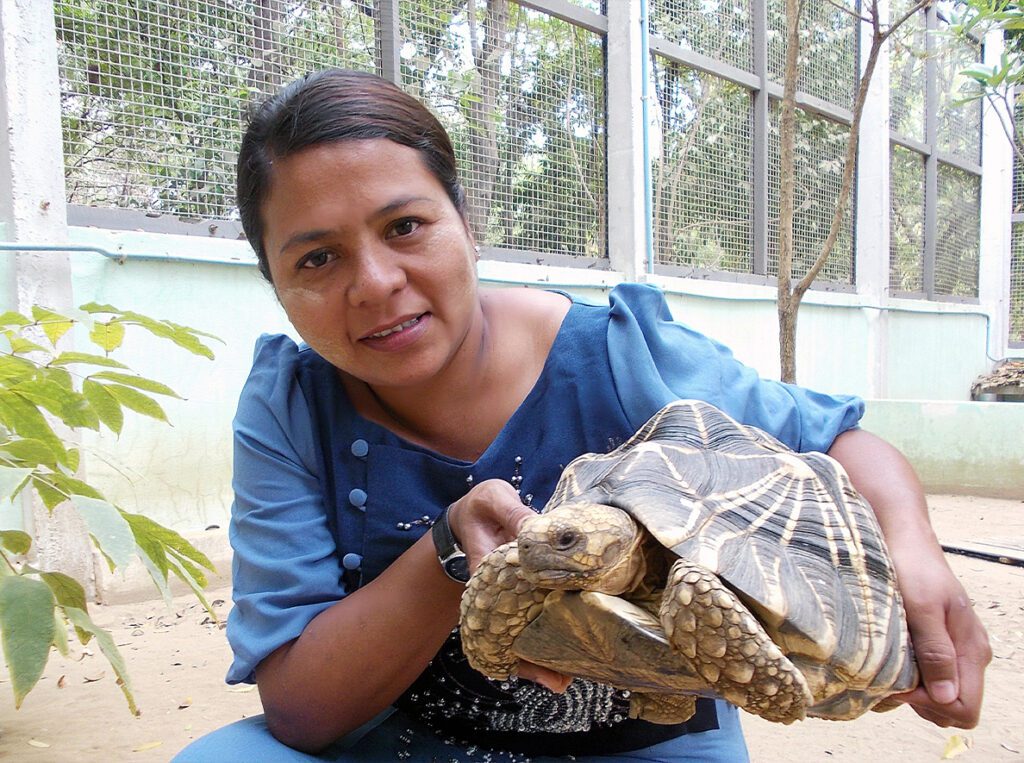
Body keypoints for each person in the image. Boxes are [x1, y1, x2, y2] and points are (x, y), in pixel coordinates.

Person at [174, 69, 991, 762]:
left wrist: (917, 557)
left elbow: (843, 442)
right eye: (317, 258)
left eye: (406, 226)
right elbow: (305, 710)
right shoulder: (292, 404)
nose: (376, 281)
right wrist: (450, 552)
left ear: (466, 221)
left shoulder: (624, 357)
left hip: (644, 732)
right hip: (406, 732)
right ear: (274, 284)